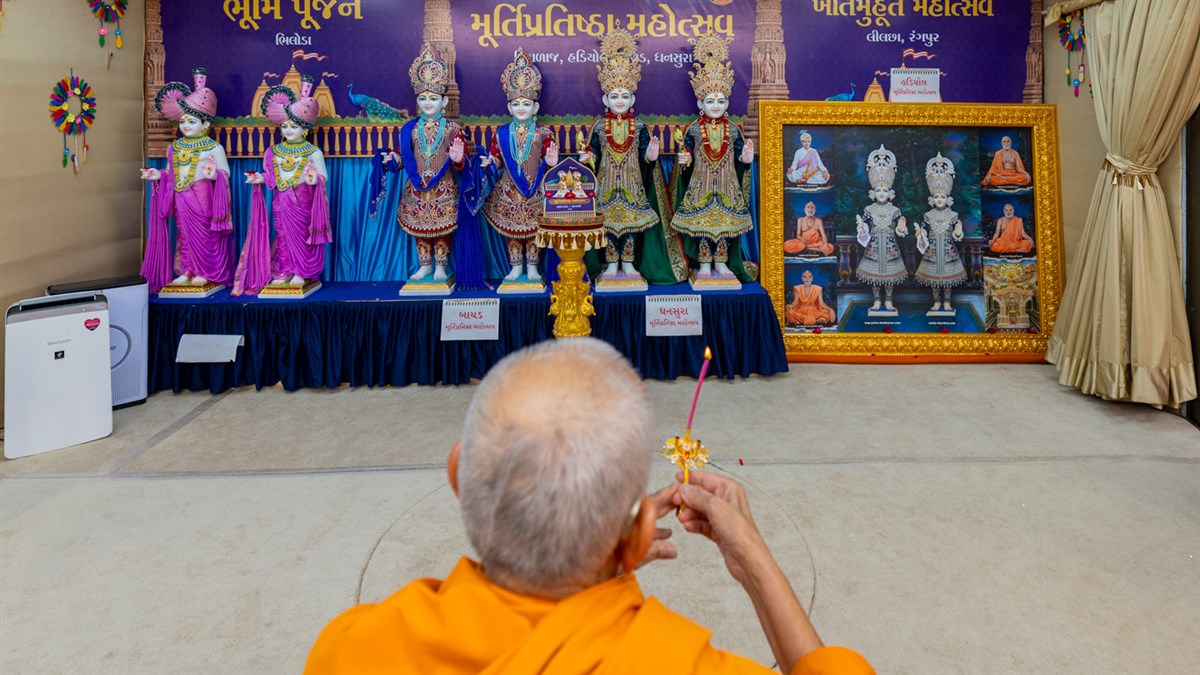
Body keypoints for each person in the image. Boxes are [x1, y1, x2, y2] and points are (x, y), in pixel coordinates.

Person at [303, 339, 873, 675]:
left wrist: (609, 549)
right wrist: (751, 556)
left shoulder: (351, 648)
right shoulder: (682, 666)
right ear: (638, 529)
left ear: (458, 471)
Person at [579, 28, 686, 284]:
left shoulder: (639, 127)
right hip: (605, 188)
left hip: (633, 188)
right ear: (605, 98)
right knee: (609, 230)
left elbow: (647, 160)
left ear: (632, 98)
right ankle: (611, 264)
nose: (619, 100)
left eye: (624, 96)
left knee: (629, 230)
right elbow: (591, 154)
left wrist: (650, 156)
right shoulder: (598, 127)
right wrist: (587, 159)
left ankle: (627, 264)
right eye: (614, 96)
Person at [232, 74, 331, 295]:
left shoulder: (313, 152)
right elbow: (273, 178)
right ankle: (283, 271)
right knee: (283, 236)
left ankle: (301, 272)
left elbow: (322, 177)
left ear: (304, 129)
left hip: (303, 204)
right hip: (281, 202)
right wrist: (259, 178)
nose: (288, 130)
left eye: (293, 126)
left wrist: (314, 179)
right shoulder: (273, 152)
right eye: (285, 126)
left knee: (303, 237)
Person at [139, 67, 234, 292]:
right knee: (184, 234)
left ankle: (205, 271)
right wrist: (157, 175)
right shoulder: (175, 147)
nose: (186, 126)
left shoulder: (213, 147)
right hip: (180, 196)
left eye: (192, 122)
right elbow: (170, 172)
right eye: (183, 122)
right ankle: (187, 270)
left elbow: (225, 172)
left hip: (203, 195)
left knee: (206, 235)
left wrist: (214, 175)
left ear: (206, 125)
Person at [671, 34, 755, 281]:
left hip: (728, 187)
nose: (715, 105)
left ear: (727, 102)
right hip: (701, 187)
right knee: (703, 228)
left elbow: (741, 159)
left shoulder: (733, 129)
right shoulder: (694, 129)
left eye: (720, 100)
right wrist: (683, 163)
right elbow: (684, 157)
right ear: (700, 102)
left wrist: (747, 161)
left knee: (725, 229)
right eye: (710, 100)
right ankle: (704, 265)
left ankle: (722, 263)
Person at [395, 41, 470, 283]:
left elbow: (464, 159)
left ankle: (441, 266)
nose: (428, 103)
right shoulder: (410, 130)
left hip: (443, 188)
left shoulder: (452, 128)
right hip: (417, 188)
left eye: (434, 98)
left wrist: (459, 159)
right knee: (420, 231)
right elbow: (404, 156)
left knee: (442, 231)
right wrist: (392, 160)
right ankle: (425, 266)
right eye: (423, 98)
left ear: (444, 102)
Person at [482, 47, 558, 283]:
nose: (521, 108)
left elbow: (550, 162)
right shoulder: (502, 133)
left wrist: (552, 163)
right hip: (509, 191)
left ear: (535, 107)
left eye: (526, 103)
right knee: (513, 233)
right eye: (516, 104)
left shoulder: (544, 133)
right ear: (509, 107)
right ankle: (516, 268)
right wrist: (489, 163)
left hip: (535, 191)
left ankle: (533, 268)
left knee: (534, 232)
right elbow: (496, 158)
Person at [854, 145, 908, 312]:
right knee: (875, 278)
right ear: (873, 192)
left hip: (891, 248)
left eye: (885, 190)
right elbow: (862, 229)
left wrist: (901, 227)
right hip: (874, 248)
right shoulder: (868, 210)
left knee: (890, 277)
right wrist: (861, 227)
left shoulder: (895, 210)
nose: (882, 192)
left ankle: (889, 301)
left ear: (890, 192)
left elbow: (902, 232)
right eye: (878, 189)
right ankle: (877, 300)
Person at [914, 153, 967, 313]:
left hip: (948, 252)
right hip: (932, 252)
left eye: (942, 196)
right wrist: (919, 233)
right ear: (932, 198)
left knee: (948, 281)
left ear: (948, 198)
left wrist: (958, 232)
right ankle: (937, 303)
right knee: (935, 281)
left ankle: (947, 302)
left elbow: (958, 236)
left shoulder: (953, 215)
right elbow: (922, 231)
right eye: (936, 196)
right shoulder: (928, 215)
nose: (939, 199)